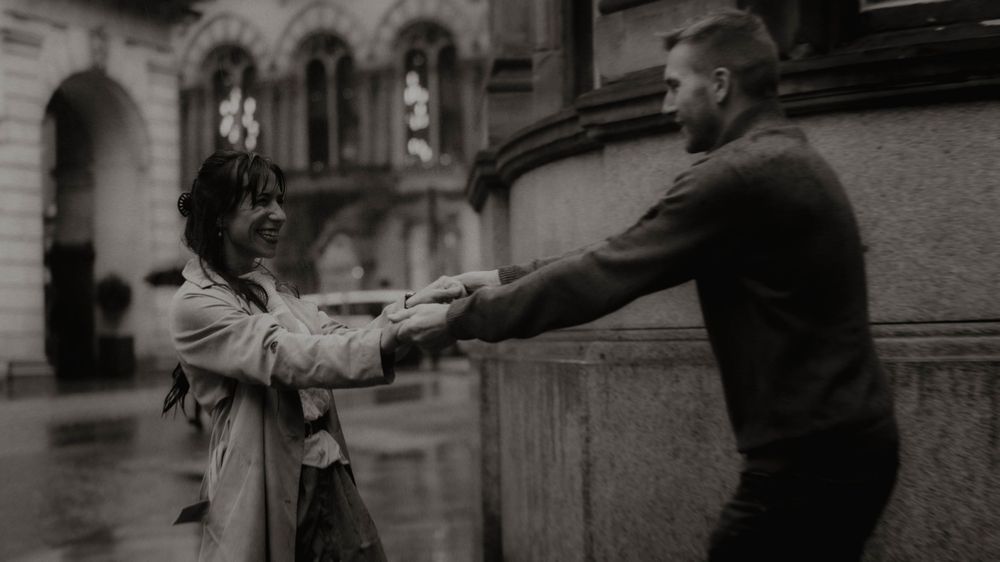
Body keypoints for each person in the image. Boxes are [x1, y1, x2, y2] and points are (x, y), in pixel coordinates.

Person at [392, 10, 899, 561]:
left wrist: (456, 321)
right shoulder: (776, 156)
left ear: (722, 85)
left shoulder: (738, 176)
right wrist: (494, 277)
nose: (665, 106)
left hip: (811, 466)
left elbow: (605, 273)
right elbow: (629, 249)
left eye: (675, 86)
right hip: (838, 450)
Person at [165, 150, 457, 561]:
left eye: (279, 201)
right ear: (219, 216)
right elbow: (287, 356)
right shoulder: (195, 303)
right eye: (262, 202)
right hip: (266, 483)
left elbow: (334, 336)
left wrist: (410, 306)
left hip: (324, 473)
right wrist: (389, 337)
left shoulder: (269, 287)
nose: (279, 214)